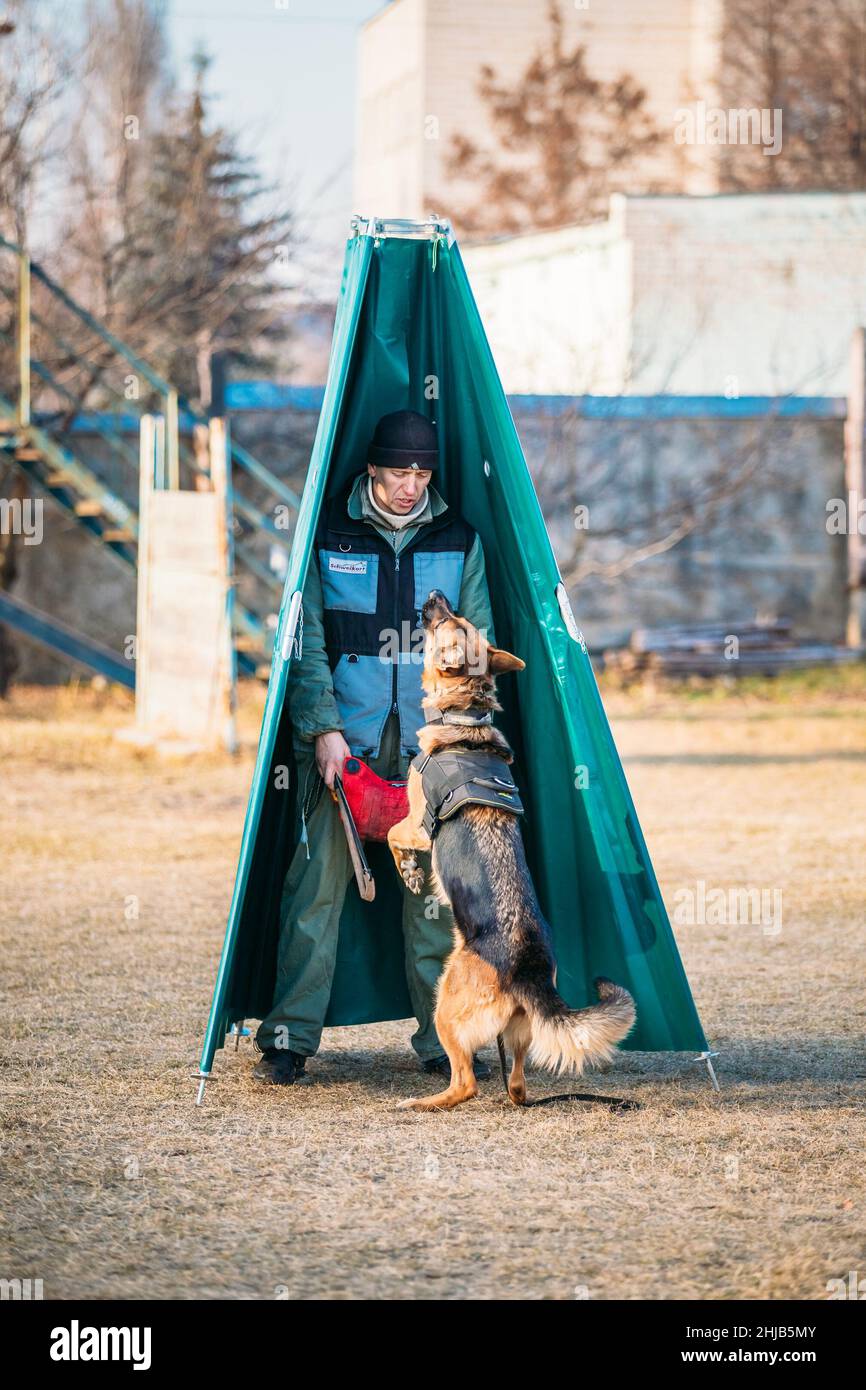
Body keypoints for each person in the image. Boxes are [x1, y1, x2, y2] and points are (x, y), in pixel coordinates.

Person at [253, 409, 497, 1085]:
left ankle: (440, 1043)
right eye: (398, 473)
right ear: (372, 471)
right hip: (340, 745)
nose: (410, 487)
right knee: (315, 896)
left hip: (429, 752)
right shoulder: (328, 533)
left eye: (420, 473)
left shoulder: (459, 539)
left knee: (432, 902)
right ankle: (289, 1041)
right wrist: (322, 731)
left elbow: (475, 651)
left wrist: (453, 747)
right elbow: (308, 644)